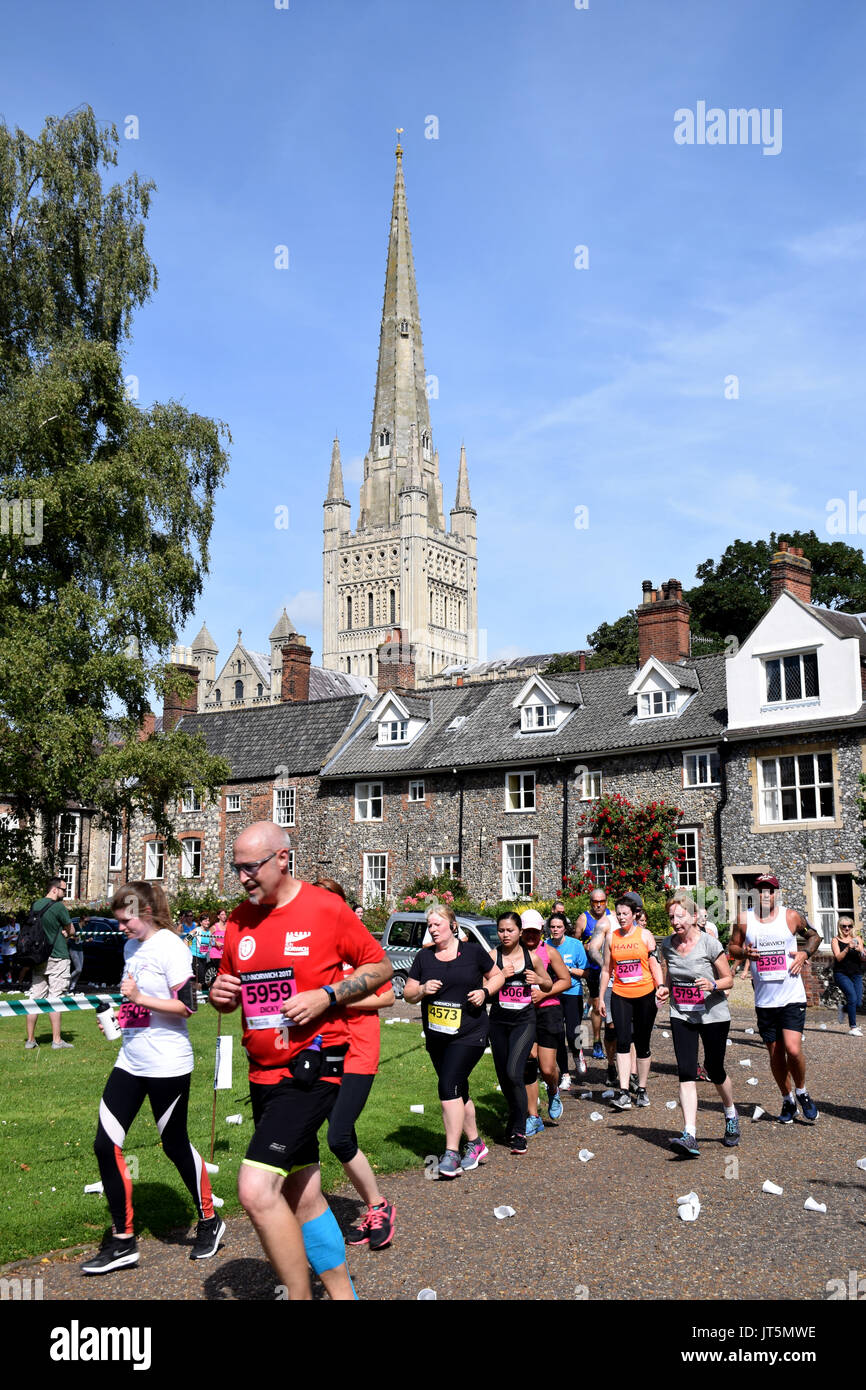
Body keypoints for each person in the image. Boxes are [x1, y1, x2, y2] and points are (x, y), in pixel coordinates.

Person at [209, 822, 391, 1301]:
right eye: (237, 868)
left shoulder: (325, 908)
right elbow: (232, 992)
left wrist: (327, 995)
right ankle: (344, 1296)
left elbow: (381, 968)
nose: (243, 877)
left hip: (313, 1065)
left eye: (252, 867)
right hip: (262, 1073)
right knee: (303, 1195)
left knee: (253, 1190)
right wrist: (219, 994)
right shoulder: (238, 921)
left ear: (283, 858)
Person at [81, 880, 223, 1274]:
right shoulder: (131, 947)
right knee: (104, 1144)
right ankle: (123, 1241)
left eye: (126, 920)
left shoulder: (171, 948)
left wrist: (139, 999)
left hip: (168, 1065)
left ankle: (209, 1220)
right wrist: (121, 1017)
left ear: (144, 913)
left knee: (174, 1144)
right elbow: (140, 1005)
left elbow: (187, 1007)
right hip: (131, 1060)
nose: (122, 928)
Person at [312, 879, 397, 1251]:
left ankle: (380, 1207)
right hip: (323, 1051)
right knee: (335, 1134)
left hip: (360, 1051)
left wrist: (337, 1000)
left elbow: (389, 996)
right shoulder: (312, 947)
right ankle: (365, 1207)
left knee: (338, 1137)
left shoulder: (359, 943)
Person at [403, 904, 504, 1177]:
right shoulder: (424, 958)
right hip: (438, 1035)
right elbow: (408, 992)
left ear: (452, 925)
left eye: (437, 924)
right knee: (459, 1091)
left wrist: (484, 992)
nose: (433, 930)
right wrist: (422, 989)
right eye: (430, 926)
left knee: (448, 1085)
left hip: (470, 1032)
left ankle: (451, 1154)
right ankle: (476, 1144)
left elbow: (498, 976)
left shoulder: (472, 953)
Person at [728, 874, 822, 1124]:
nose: (765, 895)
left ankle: (801, 1091)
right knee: (776, 1054)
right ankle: (787, 1098)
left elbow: (815, 937)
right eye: (761, 890)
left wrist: (804, 953)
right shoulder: (744, 920)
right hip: (765, 1000)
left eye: (770, 890)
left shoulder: (790, 916)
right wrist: (744, 951)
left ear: (777, 893)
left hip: (791, 995)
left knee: (792, 1048)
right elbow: (732, 947)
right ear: (755, 894)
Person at [656, 894, 739, 1155]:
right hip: (682, 1014)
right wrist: (664, 989)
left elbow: (728, 979)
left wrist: (713, 984)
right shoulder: (667, 945)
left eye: (680, 916)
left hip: (713, 1014)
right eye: (671, 917)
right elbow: (670, 974)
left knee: (714, 1069)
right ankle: (690, 1134)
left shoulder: (710, 944)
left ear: (693, 917)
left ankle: (730, 1113)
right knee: (686, 1070)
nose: (675, 921)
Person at [487, 911, 552, 1155]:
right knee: (504, 1077)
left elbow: (547, 983)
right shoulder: (493, 957)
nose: (505, 935)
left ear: (520, 932)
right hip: (499, 1022)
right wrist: (498, 977)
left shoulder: (532, 958)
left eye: (510, 930)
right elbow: (482, 988)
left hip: (524, 1022)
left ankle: (519, 1129)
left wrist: (538, 979)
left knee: (515, 1071)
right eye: (501, 930)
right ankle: (515, 1116)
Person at [599, 895, 663, 1110]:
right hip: (621, 994)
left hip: (645, 994)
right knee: (623, 1040)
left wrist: (661, 986)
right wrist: (600, 998)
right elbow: (607, 970)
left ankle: (642, 1089)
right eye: (618, 914)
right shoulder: (612, 938)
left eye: (625, 913)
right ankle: (624, 1092)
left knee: (642, 1043)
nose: (621, 917)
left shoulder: (645, 935)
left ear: (635, 914)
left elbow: (654, 964)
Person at [517, 910, 571, 1134]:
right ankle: (533, 1116)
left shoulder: (549, 952)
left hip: (548, 1012)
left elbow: (566, 981)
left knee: (547, 1068)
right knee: (529, 1061)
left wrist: (544, 994)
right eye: (527, 931)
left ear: (542, 931)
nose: (531, 935)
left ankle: (552, 1088)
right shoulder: (514, 953)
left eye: (535, 931)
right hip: (523, 1012)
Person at [24, 878, 74, 1050]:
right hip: (58, 956)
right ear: (54, 890)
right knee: (56, 999)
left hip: (39, 957)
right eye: (63, 890)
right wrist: (66, 934)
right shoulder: (58, 907)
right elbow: (71, 929)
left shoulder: (35, 905)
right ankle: (57, 1041)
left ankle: (30, 1040)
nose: (64, 893)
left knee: (35, 999)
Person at [547, 912, 587, 1088]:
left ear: (565, 928)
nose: (555, 930)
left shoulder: (575, 945)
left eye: (559, 927)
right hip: (554, 993)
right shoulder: (545, 945)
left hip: (572, 992)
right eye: (553, 927)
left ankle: (578, 1053)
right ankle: (565, 1073)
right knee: (557, 1035)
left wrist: (566, 969)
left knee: (574, 1032)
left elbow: (586, 972)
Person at [577, 888, 615, 1060]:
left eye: (601, 901)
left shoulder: (612, 916)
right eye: (595, 902)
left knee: (612, 1005)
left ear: (606, 901)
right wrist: (585, 947)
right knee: (598, 1003)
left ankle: (612, 1039)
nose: (598, 905)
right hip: (594, 969)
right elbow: (575, 941)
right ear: (590, 902)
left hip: (612, 969)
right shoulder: (584, 918)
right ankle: (597, 1041)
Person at [831, 915, 865, 1035]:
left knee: (858, 1003)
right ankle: (853, 1027)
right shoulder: (835, 940)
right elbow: (838, 958)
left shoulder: (857, 938)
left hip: (856, 973)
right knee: (852, 997)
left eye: (849, 926)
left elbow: (863, 958)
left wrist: (861, 951)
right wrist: (847, 948)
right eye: (844, 926)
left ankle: (843, 1008)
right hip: (841, 973)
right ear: (840, 927)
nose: (847, 928)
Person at [67, 913, 86, 992]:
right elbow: (69, 935)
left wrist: (88, 940)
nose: (87, 923)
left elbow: (82, 939)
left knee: (80, 970)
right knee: (78, 969)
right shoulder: (75, 926)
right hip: (74, 949)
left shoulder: (84, 929)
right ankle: (67, 981)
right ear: (81, 920)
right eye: (86, 921)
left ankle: (72, 987)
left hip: (80, 949)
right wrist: (74, 938)